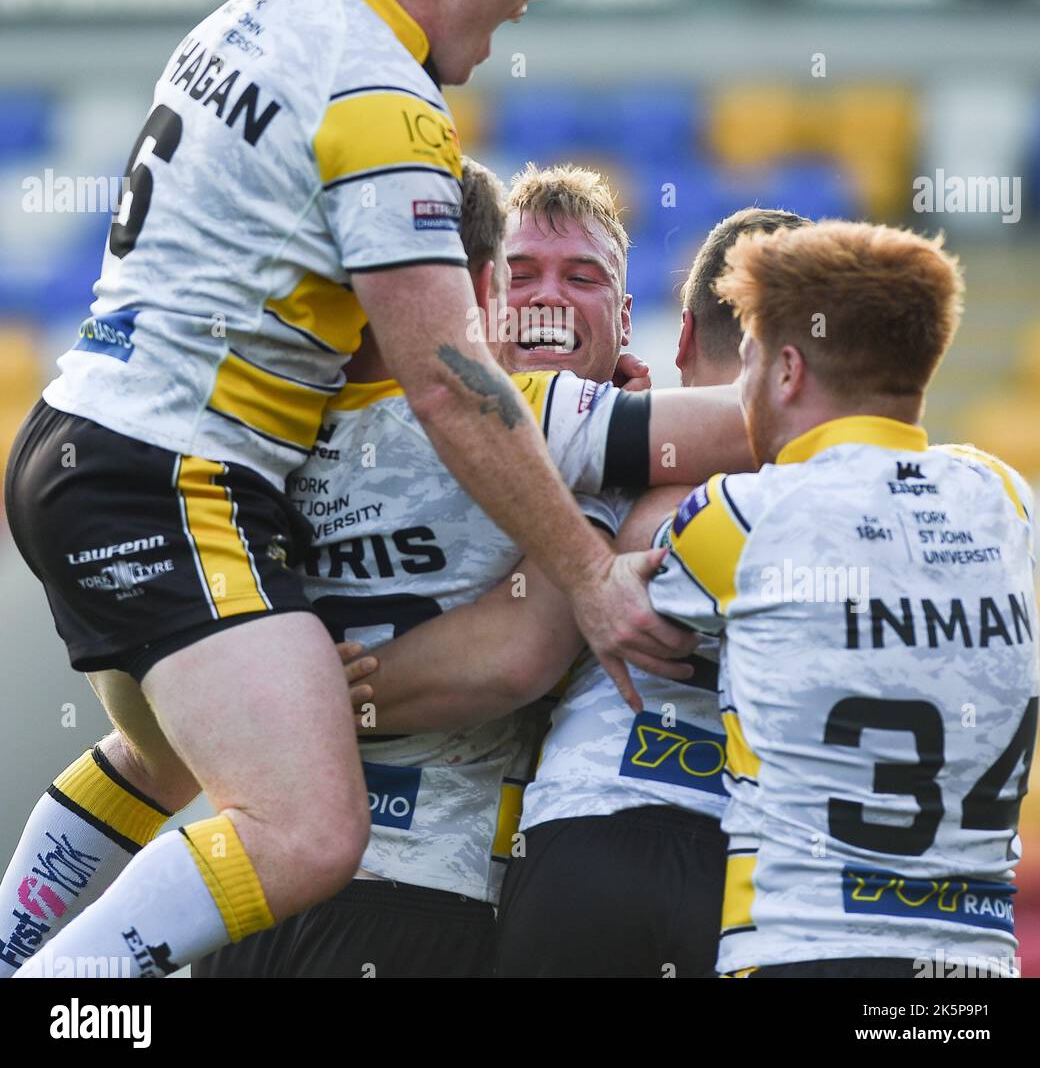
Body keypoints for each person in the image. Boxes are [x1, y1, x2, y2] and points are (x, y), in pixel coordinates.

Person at [0, 0, 683, 979]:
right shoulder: (381, 95)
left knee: (155, 759)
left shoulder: (257, 15)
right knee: (310, 830)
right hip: (172, 474)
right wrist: (583, 573)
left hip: (77, 443)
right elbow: (450, 380)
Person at [196, 164, 754, 978]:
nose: (548, 295)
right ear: (480, 296)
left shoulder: (612, 456)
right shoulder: (543, 431)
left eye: (583, 276)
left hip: (319, 887)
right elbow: (517, 653)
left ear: (626, 320)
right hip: (386, 897)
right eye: (521, 273)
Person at [621, 220, 1037, 978]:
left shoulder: (743, 516)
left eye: (746, 360)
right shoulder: (1006, 500)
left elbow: (624, 590)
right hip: (973, 973)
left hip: (801, 950)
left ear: (786, 370)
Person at [495, 206, 809, 979]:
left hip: (579, 836)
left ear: (681, 341)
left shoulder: (583, 447)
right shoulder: (869, 497)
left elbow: (637, 561)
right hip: (755, 876)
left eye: (580, 276)